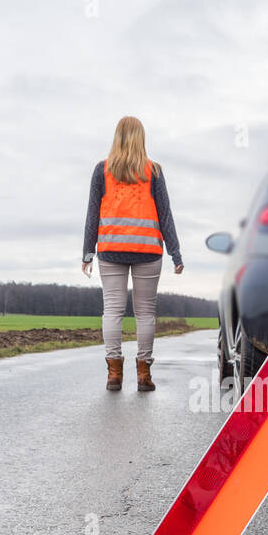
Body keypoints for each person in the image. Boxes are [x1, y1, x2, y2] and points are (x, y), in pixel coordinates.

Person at [82, 116, 183, 392]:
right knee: (145, 313)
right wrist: (175, 252)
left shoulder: (101, 170)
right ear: (141, 138)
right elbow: (165, 215)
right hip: (148, 250)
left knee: (112, 310)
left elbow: (93, 214)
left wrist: (87, 252)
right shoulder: (155, 171)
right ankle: (143, 375)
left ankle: (114, 375)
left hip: (111, 249)